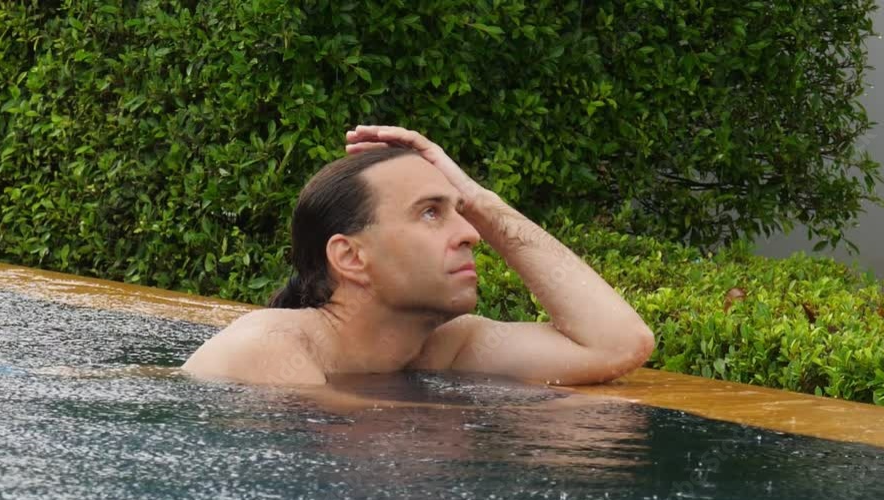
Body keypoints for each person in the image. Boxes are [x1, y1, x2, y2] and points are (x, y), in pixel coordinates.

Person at [181, 125, 654, 387]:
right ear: (350, 257)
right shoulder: (269, 346)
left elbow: (618, 345)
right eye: (430, 213)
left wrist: (482, 202)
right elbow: (367, 450)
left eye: (460, 212)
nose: (470, 234)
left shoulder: (449, 347)